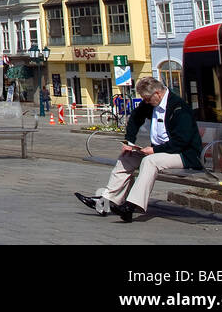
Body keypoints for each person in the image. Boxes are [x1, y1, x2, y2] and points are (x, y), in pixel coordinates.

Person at [74, 76, 202, 222]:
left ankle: (131, 206)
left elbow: (182, 141)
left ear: (158, 94)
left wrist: (154, 150)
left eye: (147, 99)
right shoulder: (151, 103)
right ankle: (105, 201)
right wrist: (129, 141)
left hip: (184, 154)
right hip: (161, 150)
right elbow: (135, 117)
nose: (146, 102)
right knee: (127, 157)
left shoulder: (179, 107)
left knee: (150, 161)